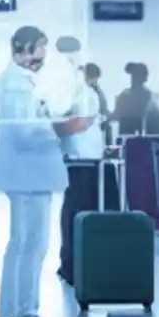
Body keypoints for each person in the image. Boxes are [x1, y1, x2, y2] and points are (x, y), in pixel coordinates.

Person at [0, 25, 70, 317]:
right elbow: (25, 133)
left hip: (25, 173)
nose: (42, 56)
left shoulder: (18, 83)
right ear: (22, 48)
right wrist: (61, 130)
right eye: (39, 49)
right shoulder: (16, 85)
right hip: (29, 174)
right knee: (33, 246)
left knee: (19, 245)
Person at [56, 61, 116, 284]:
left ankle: (74, 264)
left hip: (83, 162)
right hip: (80, 161)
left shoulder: (86, 95)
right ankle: (71, 263)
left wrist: (50, 129)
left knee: (76, 211)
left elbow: (78, 125)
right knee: (75, 211)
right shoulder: (81, 94)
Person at [113, 62, 155, 136]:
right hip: (136, 134)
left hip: (131, 133)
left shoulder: (126, 95)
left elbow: (118, 114)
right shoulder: (146, 94)